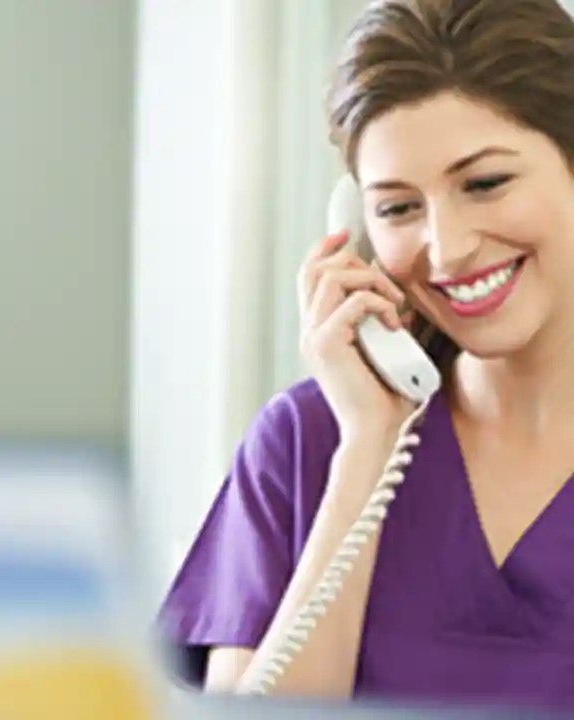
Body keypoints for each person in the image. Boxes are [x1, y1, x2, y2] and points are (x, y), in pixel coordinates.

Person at [157, 0, 574, 709]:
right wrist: (366, 449)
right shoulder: (303, 443)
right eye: (398, 207)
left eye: (485, 184)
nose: (446, 248)